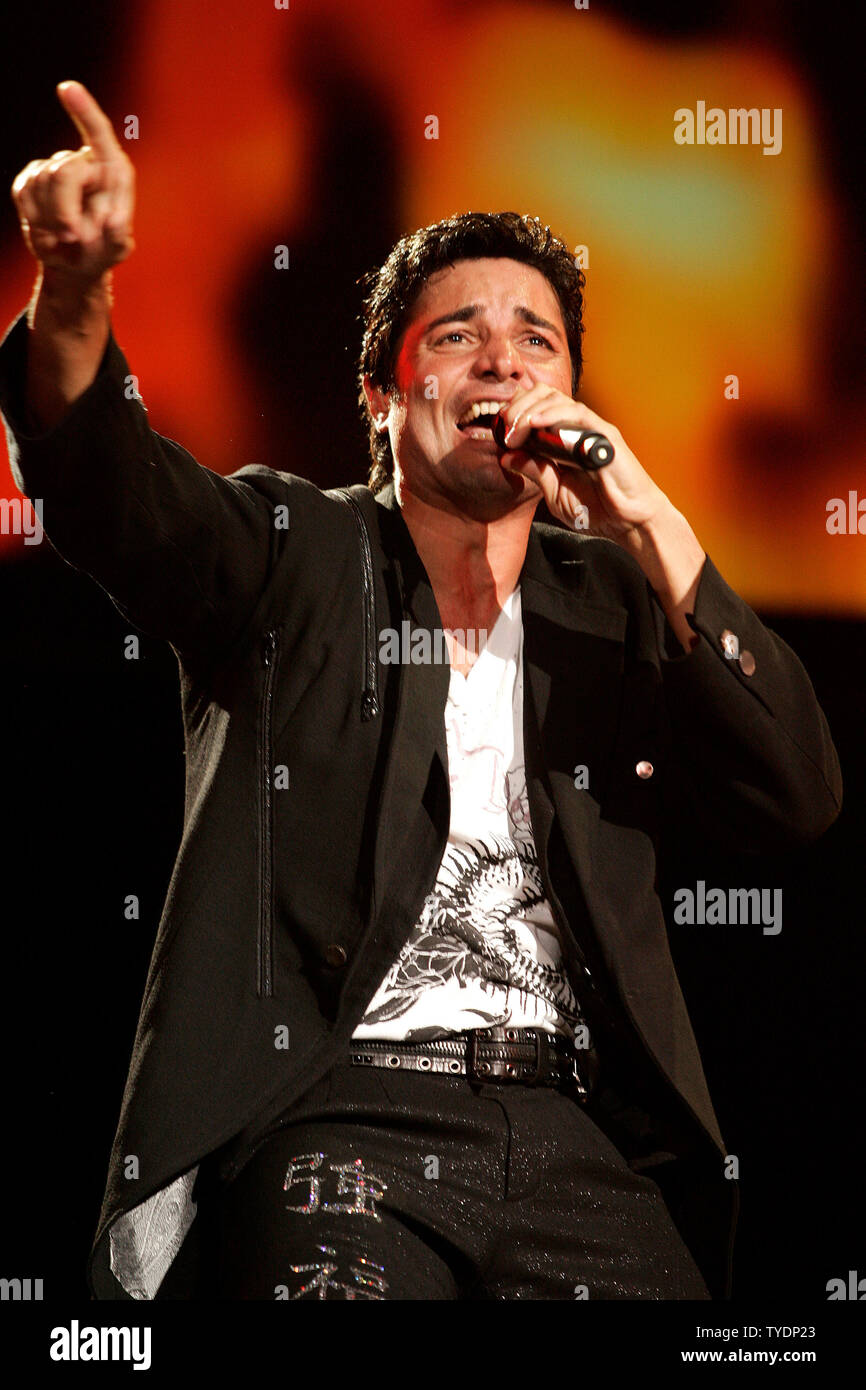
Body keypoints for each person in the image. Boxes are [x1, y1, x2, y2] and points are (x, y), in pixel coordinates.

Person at [2, 81, 842, 1302]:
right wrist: (75, 284)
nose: (501, 357)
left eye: (535, 339)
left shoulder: (611, 609)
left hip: (576, 1141)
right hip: (342, 1121)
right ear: (381, 395)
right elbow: (108, 485)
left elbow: (798, 790)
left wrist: (647, 517)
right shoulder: (291, 549)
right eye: (455, 335)